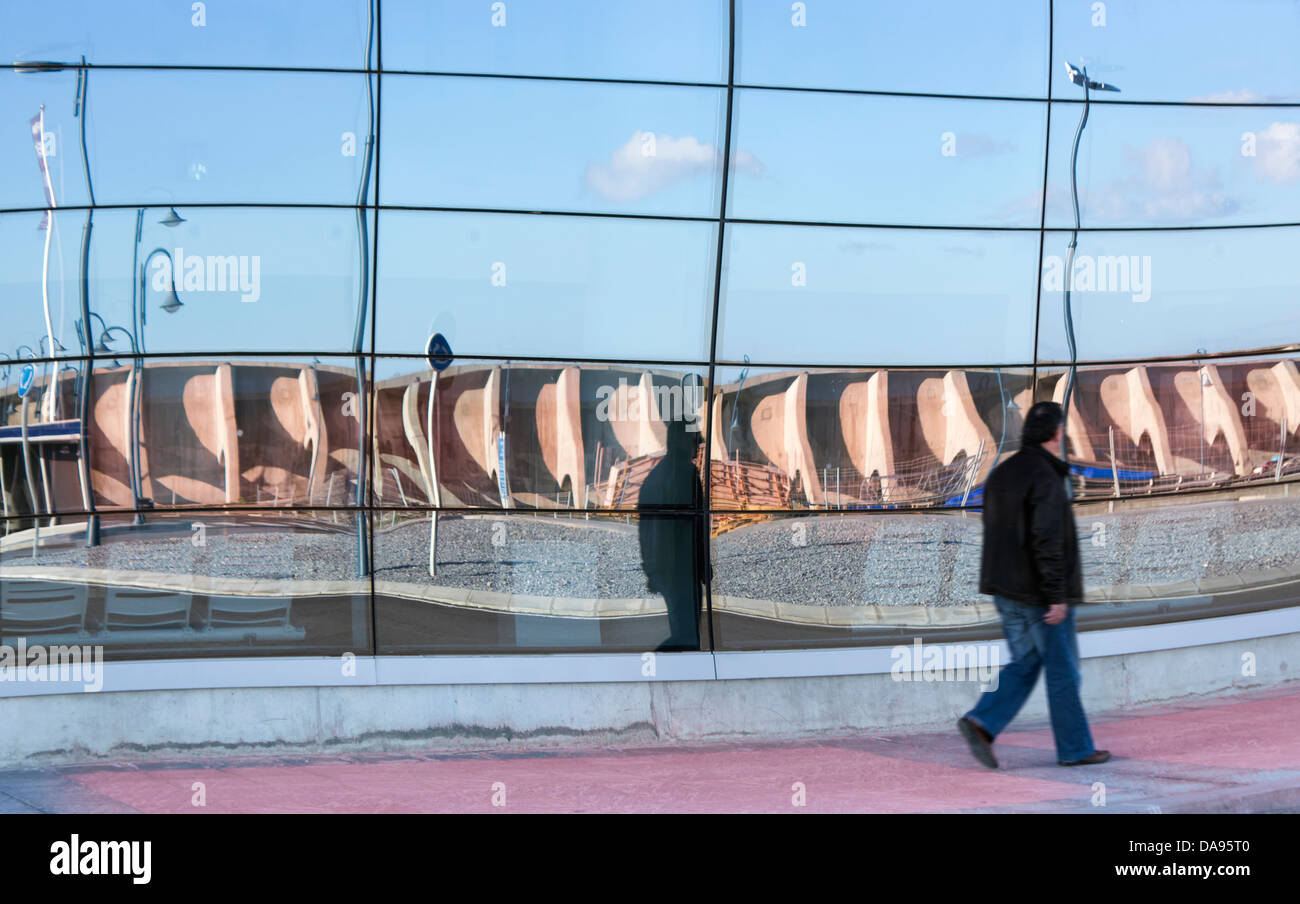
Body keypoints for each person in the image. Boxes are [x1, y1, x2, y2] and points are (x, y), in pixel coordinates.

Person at [957, 401, 1110, 768]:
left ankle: (982, 721)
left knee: (1026, 663)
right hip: (1039, 595)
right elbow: (1047, 540)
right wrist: (1056, 597)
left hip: (1004, 591)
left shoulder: (1001, 474)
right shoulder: (1046, 477)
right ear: (1058, 432)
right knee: (1062, 671)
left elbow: (996, 532)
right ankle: (1075, 749)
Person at [637, 415, 709, 651]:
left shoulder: (656, 476)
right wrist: (702, 566)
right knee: (687, 637)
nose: (698, 446)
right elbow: (694, 526)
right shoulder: (686, 474)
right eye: (695, 441)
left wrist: (652, 570)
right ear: (683, 441)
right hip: (682, 568)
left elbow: (646, 532)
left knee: (682, 632)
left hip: (668, 569)